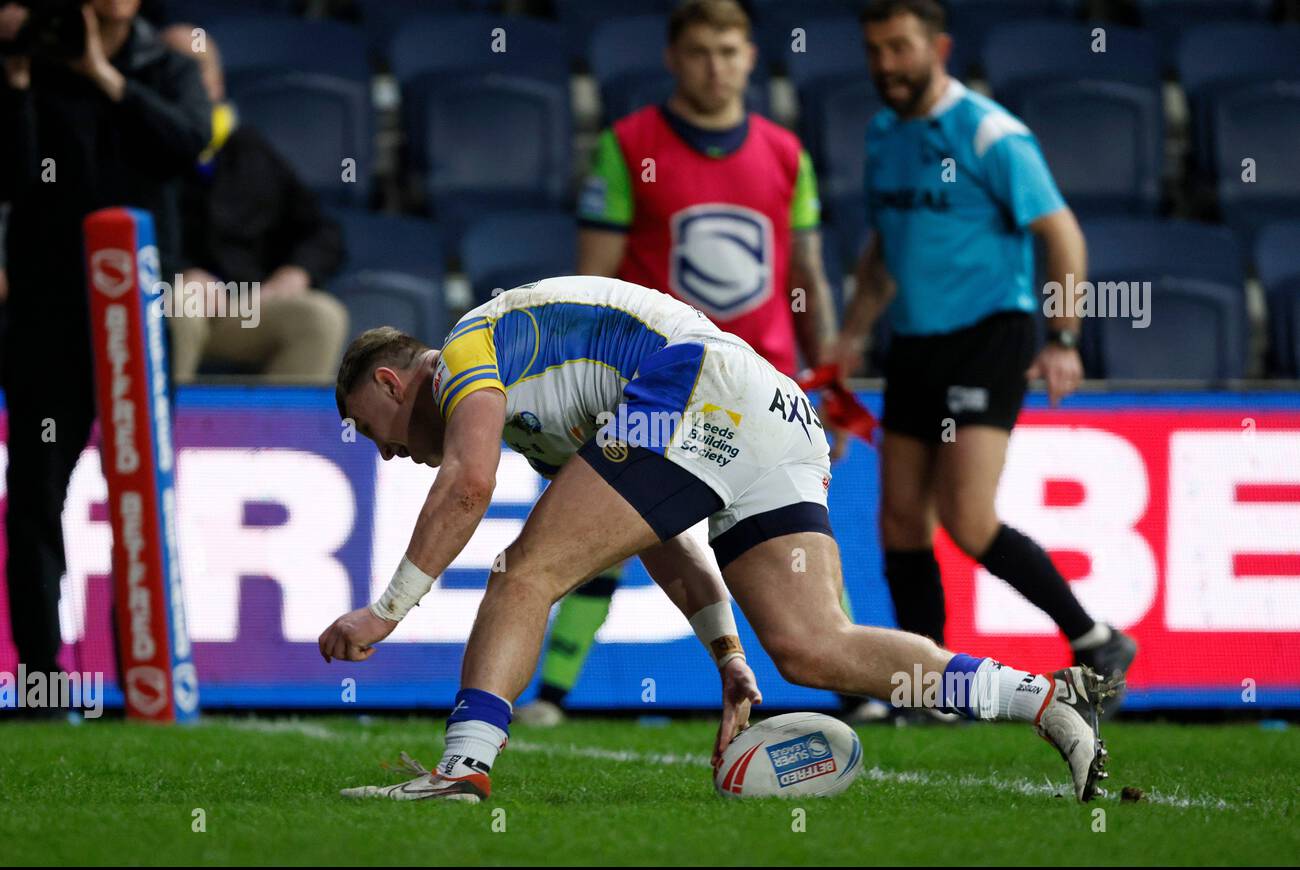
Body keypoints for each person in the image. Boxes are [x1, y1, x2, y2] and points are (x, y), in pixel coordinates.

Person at [319, 276, 1120, 804]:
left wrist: (385, 612)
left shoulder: (467, 350)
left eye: (369, 426)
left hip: (691, 378)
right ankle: (1040, 698)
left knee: (524, 572)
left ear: (394, 382)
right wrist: (727, 656)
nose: (384, 448)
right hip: (774, 408)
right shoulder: (542, 401)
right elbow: (661, 535)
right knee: (811, 644)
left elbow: (466, 484)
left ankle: (462, 771)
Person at [516, 0, 841, 727]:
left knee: (795, 540)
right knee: (606, 532)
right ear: (673, 58)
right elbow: (590, 281)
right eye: (699, 51)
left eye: (729, 51)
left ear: (752, 57)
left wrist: (829, 378)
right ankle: (554, 694)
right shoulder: (629, 146)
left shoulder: (788, 154)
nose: (715, 66)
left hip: (760, 385)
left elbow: (809, 273)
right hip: (654, 380)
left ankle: (851, 693)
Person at [832, 0, 1137, 692]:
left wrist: (1063, 337)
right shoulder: (883, 135)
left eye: (900, 48)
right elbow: (886, 246)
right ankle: (926, 683)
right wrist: (851, 335)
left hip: (989, 337)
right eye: (875, 50)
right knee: (902, 517)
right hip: (913, 341)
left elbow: (1062, 234)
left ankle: (1095, 638)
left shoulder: (989, 134)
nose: (887, 65)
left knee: (967, 518)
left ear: (937, 47)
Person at [0, 0, 209, 684]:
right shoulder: (33, 68)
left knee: (143, 497)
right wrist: (20, 83)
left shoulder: (167, 66)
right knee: (35, 496)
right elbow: (16, 177)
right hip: (47, 313)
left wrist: (102, 74)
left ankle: (143, 675)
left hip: (136, 319)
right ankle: (41, 674)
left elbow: (186, 141)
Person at [159, 24, 347, 383]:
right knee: (180, 306)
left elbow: (322, 231)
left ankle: (274, 434)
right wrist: (178, 275)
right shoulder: (132, 148)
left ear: (218, 83)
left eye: (198, 67)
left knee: (321, 318)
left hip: (243, 304)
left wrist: (296, 273)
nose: (188, 78)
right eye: (175, 66)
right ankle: (170, 434)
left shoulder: (252, 151)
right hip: (165, 304)